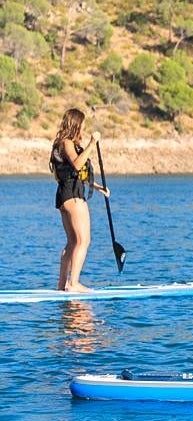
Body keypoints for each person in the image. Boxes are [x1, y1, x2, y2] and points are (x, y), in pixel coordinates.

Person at [51, 108, 109, 293]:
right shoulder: (66, 142)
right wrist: (92, 143)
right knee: (83, 240)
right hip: (73, 196)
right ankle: (74, 283)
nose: (84, 128)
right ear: (76, 124)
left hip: (66, 194)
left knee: (72, 242)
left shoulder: (66, 144)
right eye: (82, 125)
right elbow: (77, 165)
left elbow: (76, 174)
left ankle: (62, 286)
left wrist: (98, 188)